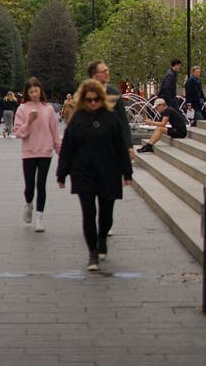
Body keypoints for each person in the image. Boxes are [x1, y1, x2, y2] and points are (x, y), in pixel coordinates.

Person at [57, 79, 133, 270]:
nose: (92, 103)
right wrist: (62, 173)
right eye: (89, 100)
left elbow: (120, 147)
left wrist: (127, 172)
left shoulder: (111, 119)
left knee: (106, 215)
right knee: (88, 213)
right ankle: (92, 252)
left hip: (108, 171)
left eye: (96, 99)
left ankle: (102, 238)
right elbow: (68, 148)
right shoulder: (78, 119)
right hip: (84, 173)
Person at [14, 76, 61, 232]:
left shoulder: (48, 109)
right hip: (29, 151)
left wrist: (58, 148)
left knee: (41, 184)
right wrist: (29, 121)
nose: (34, 94)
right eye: (31, 92)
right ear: (27, 93)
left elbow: (54, 130)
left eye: (36, 90)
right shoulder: (22, 109)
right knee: (29, 186)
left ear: (40, 90)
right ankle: (29, 204)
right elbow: (18, 132)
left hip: (45, 151)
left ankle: (39, 219)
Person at [87, 60, 135, 160]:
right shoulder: (84, 94)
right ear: (94, 75)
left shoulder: (114, 93)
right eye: (104, 71)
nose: (107, 73)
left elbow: (123, 121)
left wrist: (129, 146)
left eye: (107, 70)